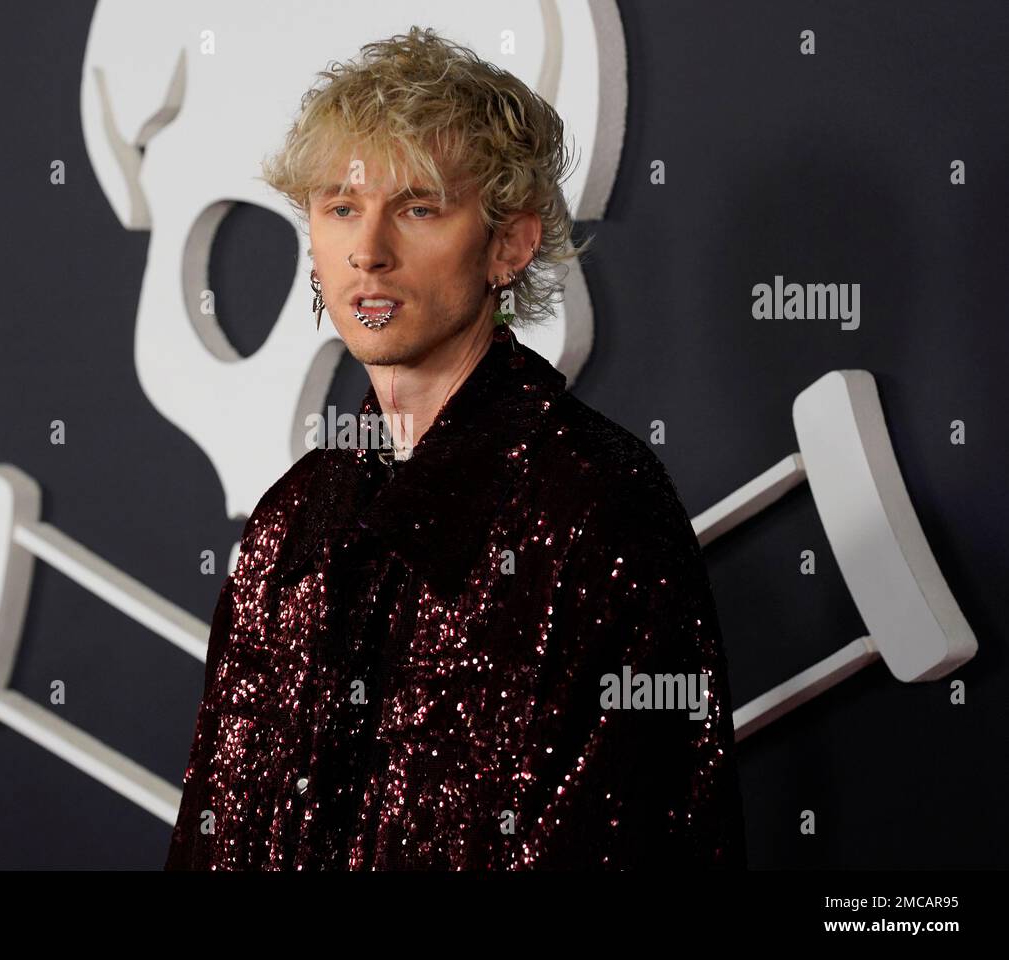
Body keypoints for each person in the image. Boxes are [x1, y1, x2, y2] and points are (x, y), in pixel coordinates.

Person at [164, 26, 746, 869]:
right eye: (340, 207)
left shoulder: (601, 506)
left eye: (419, 208)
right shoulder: (289, 525)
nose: (369, 251)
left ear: (510, 243)